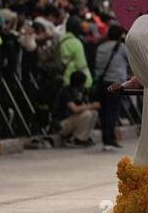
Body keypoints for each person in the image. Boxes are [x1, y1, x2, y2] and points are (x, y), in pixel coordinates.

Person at [93, 23, 129, 151]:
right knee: (112, 111)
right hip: (115, 83)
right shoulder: (121, 47)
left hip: (102, 82)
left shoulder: (100, 47)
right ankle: (110, 140)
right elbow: (131, 60)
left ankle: (106, 139)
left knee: (104, 111)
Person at [54, 70, 99, 145]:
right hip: (61, 123)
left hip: (72, 121)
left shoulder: (80, 92)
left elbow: (83, 106)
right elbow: (75, 109)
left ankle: (85, 137)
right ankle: (78, 138)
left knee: (94, 113)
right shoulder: (66, 91)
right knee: (87, 114)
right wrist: (92, 106)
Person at [59, 16, 91, 89]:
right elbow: (81, 65)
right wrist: (88, 82)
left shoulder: (62, 40)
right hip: (75, 82)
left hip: (63, 78)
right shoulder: (76, 43)